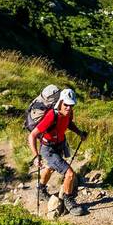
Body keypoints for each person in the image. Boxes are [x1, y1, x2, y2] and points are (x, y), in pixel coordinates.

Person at [27, 87, 89, 215]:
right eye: (66, 105)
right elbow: (32, 135)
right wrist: (35, 156)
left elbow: (69, 123)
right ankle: (69, 201)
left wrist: (79, 133)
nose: (69, 108)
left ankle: (40, 189)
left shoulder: (69, 112)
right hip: (48, 148)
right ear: (60, 102)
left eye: (71, 105)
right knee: (70, 174)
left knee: (50, 167)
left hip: (59, 144)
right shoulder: (51, 116)